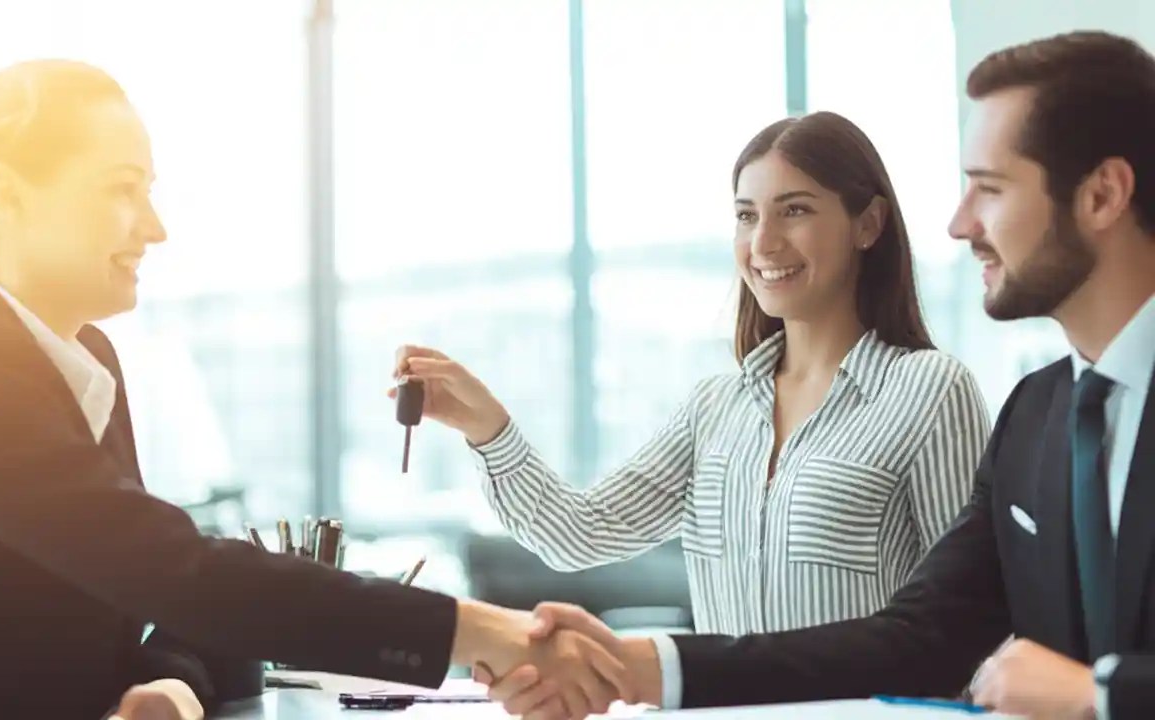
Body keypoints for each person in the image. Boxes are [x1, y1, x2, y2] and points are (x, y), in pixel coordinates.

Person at [0, 55, 632, 720]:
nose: (154, 227)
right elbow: (179, 575)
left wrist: (167, 687)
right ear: (10, 196)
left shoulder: (77, 361)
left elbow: (164, 597)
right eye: (122, 190)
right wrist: (485, 632)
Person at [483, 29, 1155, 720]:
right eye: (746, 215)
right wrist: (637, 667)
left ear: (1102, 196)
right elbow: (922, 639)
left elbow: (1000, 666)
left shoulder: (933, 390)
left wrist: (1100, 695)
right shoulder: (1037, 415)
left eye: (989, 188)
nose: (958, 224)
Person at [393, 111, 989, 646]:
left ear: (868, 224)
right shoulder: (715, 408)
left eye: (795, 210)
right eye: (746, 216)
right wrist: (486, 426)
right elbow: (578, 534)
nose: (763, 242)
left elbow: (973, 616)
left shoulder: (931, 390)